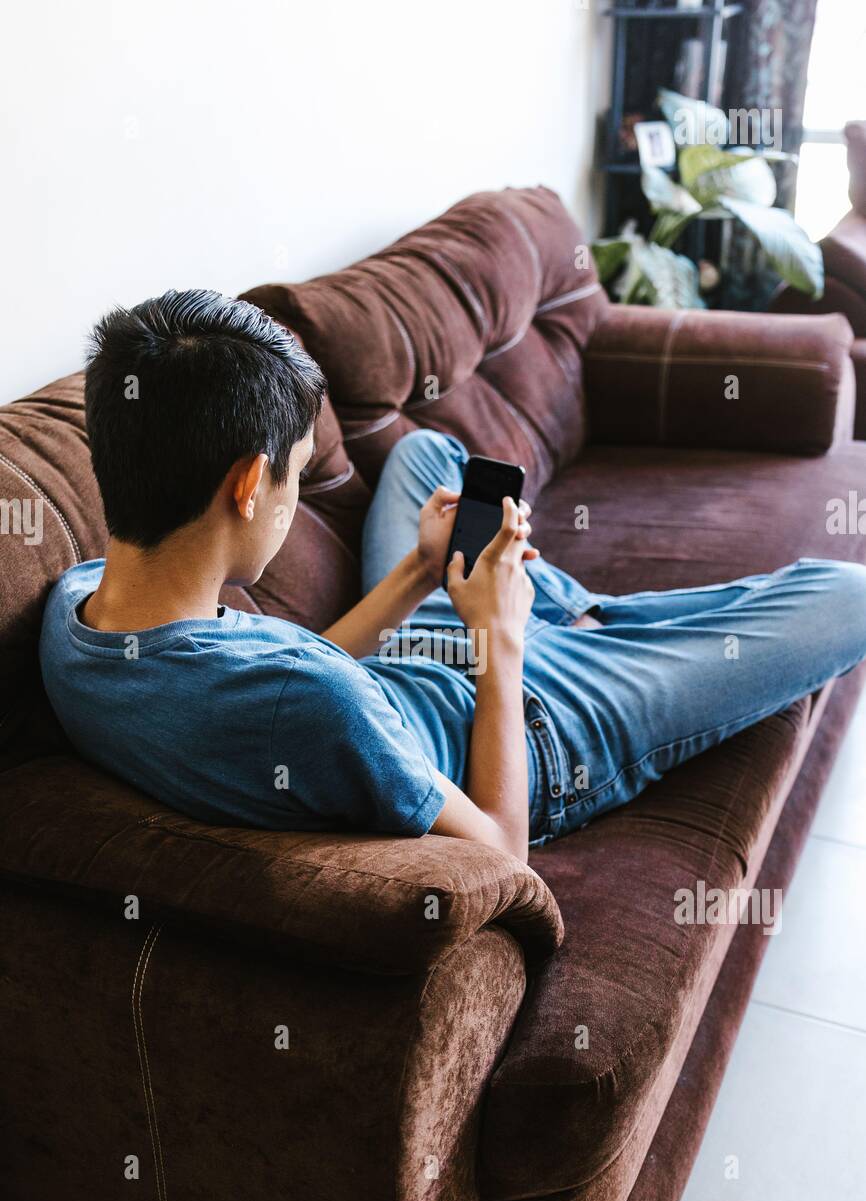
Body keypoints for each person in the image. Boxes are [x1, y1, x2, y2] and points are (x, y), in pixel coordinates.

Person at [40, 290, 866, 864]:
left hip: (413, 652)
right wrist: (497, 636)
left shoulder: (78, 609)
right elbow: (502, 856)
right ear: (250, 485)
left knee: (422, 456)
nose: (292, 502)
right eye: (295, 474)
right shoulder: (310, 705)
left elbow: (286, 675)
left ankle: (547, 604)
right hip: (520, 719)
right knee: (848, 594)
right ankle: (567, 618)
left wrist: (418, 572)